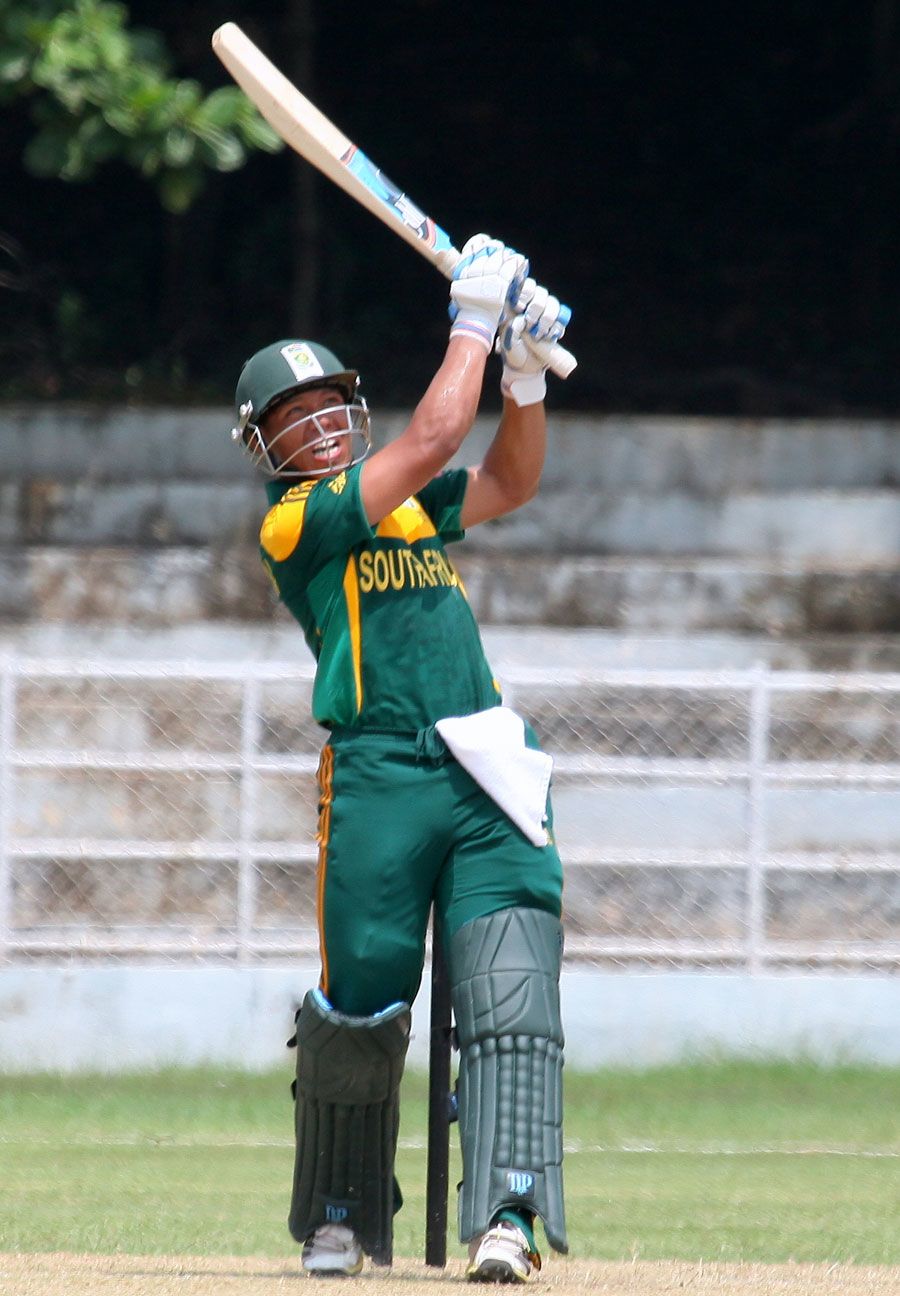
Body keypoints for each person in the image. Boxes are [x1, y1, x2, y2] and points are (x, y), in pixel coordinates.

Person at [230, 234, 571, 1283]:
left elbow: (509, 481)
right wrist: (472, 320)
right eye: (294, 417)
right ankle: (338, 1214)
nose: (320, 422)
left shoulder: (413, 507)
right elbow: (429, 436)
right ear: (268, 447)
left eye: (329, 402)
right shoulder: (297, 525)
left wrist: (520, 378)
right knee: (365, 999)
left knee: (512, 987)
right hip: (377, 773)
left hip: (483, 759)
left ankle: (507, 1220)